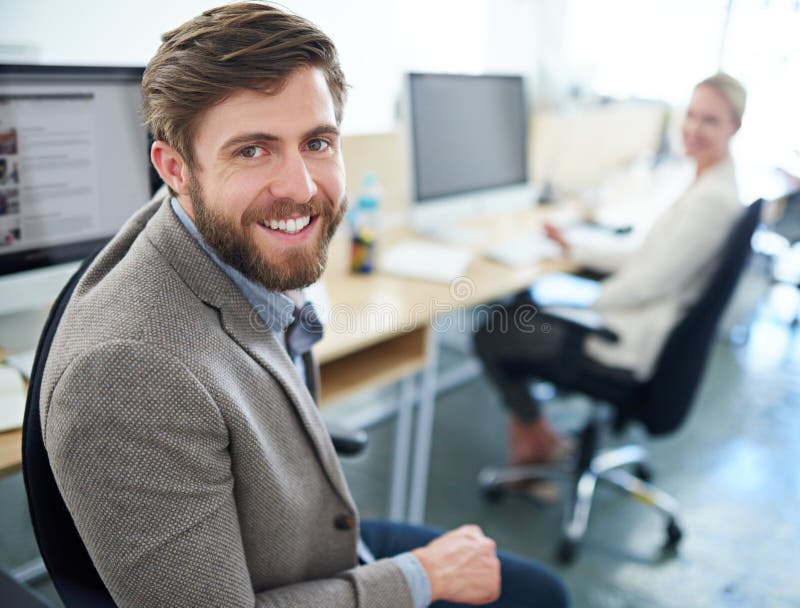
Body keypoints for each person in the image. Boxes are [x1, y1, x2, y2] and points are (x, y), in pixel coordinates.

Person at [39, 3, 568, 607]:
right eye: (252, 151)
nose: (301, 187)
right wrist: (424, 577)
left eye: (317, 142)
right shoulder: (129, 375)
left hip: (310, 546)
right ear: (174, 169)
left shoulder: (227, 238)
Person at [475, 73, 747, 466]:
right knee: (519, 309)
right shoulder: (708, 183)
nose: (693, 128)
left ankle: (534, 440)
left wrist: (586, 305)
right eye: (691, 115)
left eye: (710, 120)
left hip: (624, 340)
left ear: (734, 127)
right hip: (635, 321)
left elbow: (647, 282)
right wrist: (574, 244)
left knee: (493, 330)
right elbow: (646, 256)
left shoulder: (713, 202)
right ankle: (535, 438)